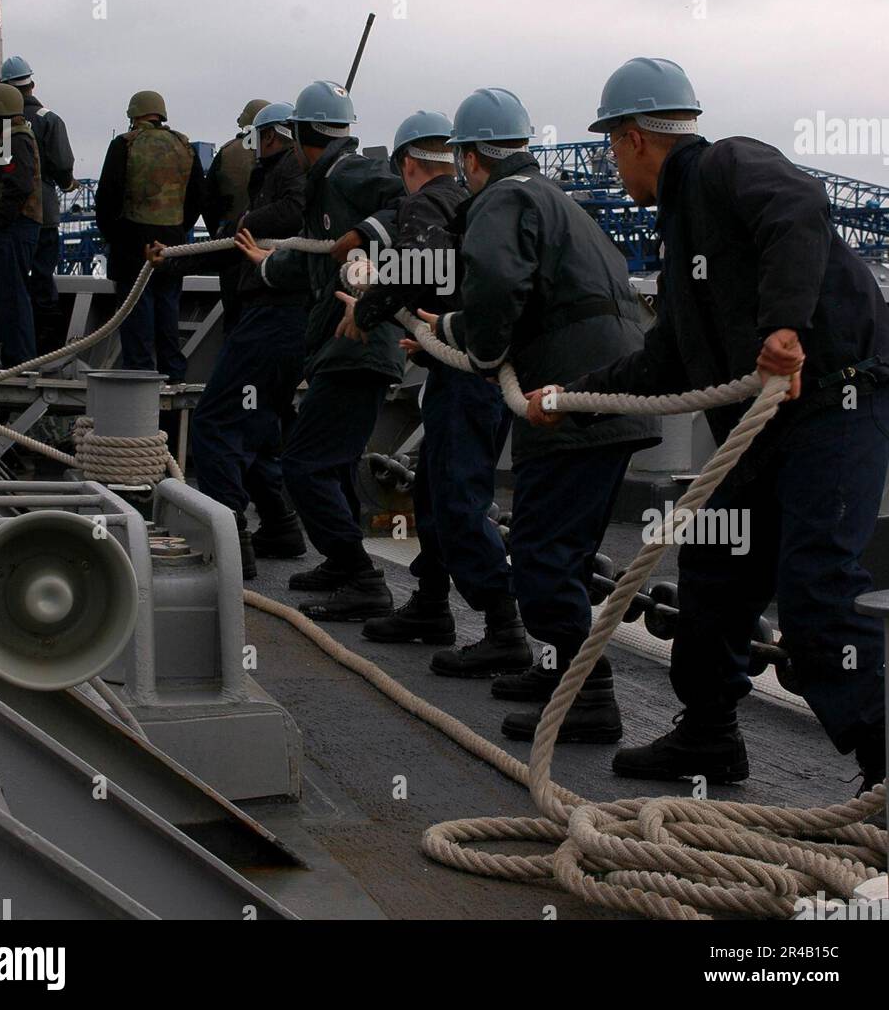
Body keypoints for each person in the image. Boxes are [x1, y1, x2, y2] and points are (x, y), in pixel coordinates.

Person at [529, 56, 889, 789]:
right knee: (713, 572)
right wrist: (570, 395)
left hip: (836, 407)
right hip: (763, 430)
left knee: (815, 589)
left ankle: (882, 762)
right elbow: (666, 358)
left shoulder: (729, 164)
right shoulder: (680, 232)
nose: (608, 159)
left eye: (607, 144)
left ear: (631, 138)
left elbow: (798, 210)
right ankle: (708, 737)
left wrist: (785, 328)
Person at [420, 87, 659, 741]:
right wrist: (448, 324)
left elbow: (498, 283)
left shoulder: (501, 198)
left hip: (571, 400)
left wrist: (479, 345)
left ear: (471, 157)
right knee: (564, 551)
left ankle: (586, 699)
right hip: (608, 394)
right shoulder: (555, 200)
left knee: (541, 553)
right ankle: (558, 671)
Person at [335, 111, 522, 673]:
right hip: (474, 365)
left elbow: (416, 269)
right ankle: (431, 604)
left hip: (466, 378)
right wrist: (433, 332)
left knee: (456, 497)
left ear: (408, 164)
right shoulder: (470, 205)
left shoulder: (425, 202)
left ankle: (504, 625)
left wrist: (366, 311)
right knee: (437, 490)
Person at [236, 79, 406, 622]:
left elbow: (409, 197)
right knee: (331, 464)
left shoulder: (347, 173)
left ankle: (361, 576)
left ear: (303, 132)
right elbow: (313, 256)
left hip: (359, 344)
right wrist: (264, 260)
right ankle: (341, 563)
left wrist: (364, 233)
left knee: (304, 465)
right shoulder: (323, 188)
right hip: (344, 347)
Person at [149, 102, 307, 579]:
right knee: (257, 429)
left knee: (216, 422)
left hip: (269, 321)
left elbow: (283, 216)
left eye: (256, 140)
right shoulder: (275, 181)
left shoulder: (291, 177)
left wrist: (245, 224)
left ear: (272, 137)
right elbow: (227, 253)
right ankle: (280, 525)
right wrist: (171, 259)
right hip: (286, 326)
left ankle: (228, 538)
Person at [95, 91, 205, 383]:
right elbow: (196, 197)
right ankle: (174, 376)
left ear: (133, 116)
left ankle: (140, 379)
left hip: (131, 245)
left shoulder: (124, 145)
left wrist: (115, 236)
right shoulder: (184, 146)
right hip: (172, 243)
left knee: (136, 315)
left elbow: (107, 197)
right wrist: (177, 230)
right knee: (168, 311)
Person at [0, 56, 77, 352]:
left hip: (11, 217)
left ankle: (16, 349)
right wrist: (68, 183)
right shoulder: (50, 118)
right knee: (43, 277)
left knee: (12, 283)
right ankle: (49, 345)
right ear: (32, 83)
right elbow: (62, 164)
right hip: (44, 213)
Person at [0, 82, 42, 367]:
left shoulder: (16, 140)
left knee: (13, 297)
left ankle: (20, 361)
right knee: (7, 296)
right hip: (7, 228)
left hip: (15, 227)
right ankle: (13, 359)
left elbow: (17, 186)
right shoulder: (4, 137)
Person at [204, 99, 270, 333]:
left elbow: (208, 202)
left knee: (234, 320)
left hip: (233, 248)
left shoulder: (228, 152)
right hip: (272, 254)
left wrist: (221, 235)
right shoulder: (289, 154)